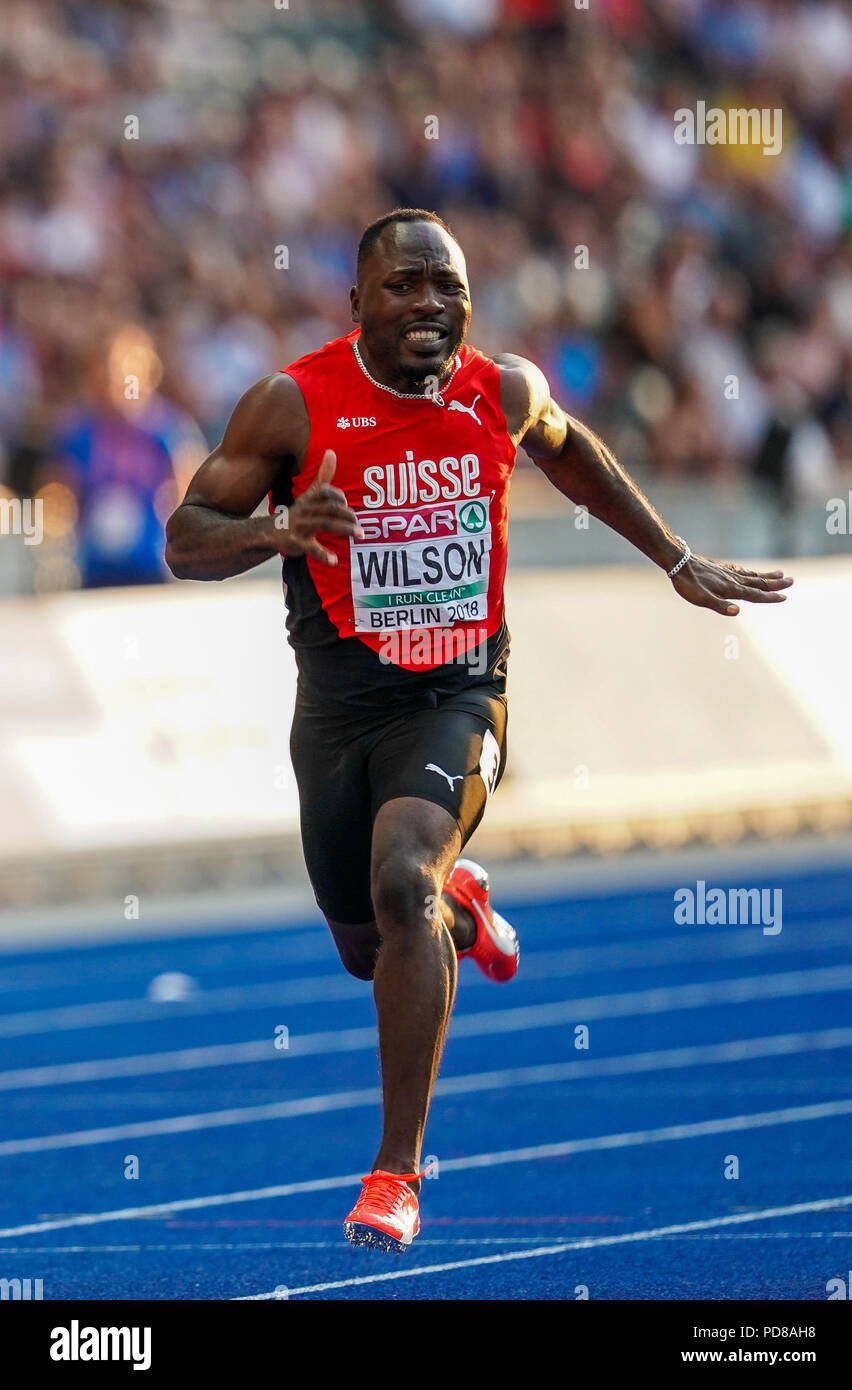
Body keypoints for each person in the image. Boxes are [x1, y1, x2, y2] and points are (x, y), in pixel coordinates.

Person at [164, 208, 792, 1254]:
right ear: (355, 301)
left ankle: (395, 1173)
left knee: (399, 878)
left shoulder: (498, 390)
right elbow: (184, 537)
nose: (428, 302)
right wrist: (279, 528)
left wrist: (673, 556)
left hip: (459, 692)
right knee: (369, 945)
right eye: (403, 285)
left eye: (446, 285)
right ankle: (460, 901)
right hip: (335, 712)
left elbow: (571, 449)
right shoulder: (291, 404)